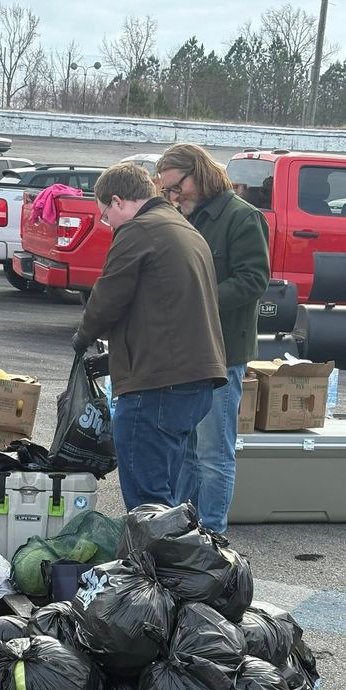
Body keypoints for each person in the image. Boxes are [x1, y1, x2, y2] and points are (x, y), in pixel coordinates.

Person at [72, 162, 227, 512]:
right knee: (170, 495)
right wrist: (113, 361)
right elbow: (164, 312)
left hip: (159, 386)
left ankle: (155, 564)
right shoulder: (183, 228)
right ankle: (177, 561)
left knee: (148, 502)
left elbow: (108, 296)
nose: (107, 223)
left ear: (118, 201)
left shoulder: (139, 231)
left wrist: (83, 337)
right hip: (196, 382)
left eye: (105, 215)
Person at [156, 144, 270, 533]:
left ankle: (213, 541)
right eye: (166, 192)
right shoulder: (181, 217)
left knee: (213, 454)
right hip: (185, 353)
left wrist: (197, 301)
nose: (173, 197)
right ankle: (185, 537)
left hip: (223, 354)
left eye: (176, 188)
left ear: (199, 173)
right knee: (185, 453)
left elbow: (254, 280)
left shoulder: (242, 217)